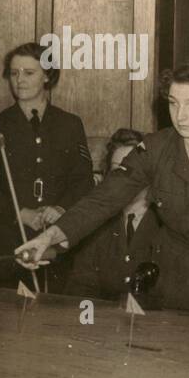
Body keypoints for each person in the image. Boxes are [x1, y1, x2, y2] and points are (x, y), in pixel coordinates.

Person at [15, 59, 189, 325]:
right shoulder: (154, 148)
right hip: (177, 291)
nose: (180, 116)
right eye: (173, 103)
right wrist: (51, 235)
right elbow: (105, 197)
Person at [0, 43, 94, 289]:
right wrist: (19, 214)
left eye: (29, 73)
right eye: (14, 73)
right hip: (5, 239)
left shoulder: (70, 124)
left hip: (54, 239)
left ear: (47, 76)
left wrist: (61, 208)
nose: (19, 80)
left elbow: (83, 181)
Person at [64, 128, 160, 303]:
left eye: (135, 170)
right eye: (118, 170)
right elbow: (81, 288)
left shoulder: (166, 223)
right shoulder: (97, 225)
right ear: (108, 175)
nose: (127, 179)